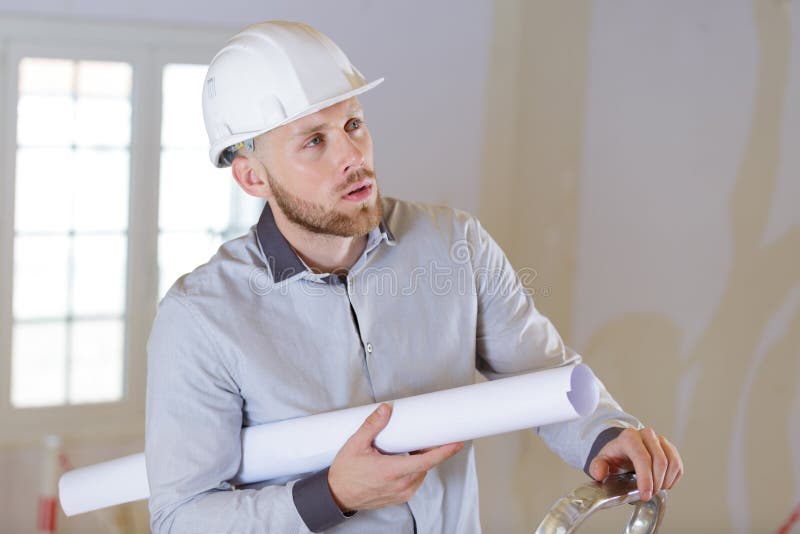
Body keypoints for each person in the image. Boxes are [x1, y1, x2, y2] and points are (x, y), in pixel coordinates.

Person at [145, 20, 683, 534]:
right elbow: (181, 519)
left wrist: (603, 435)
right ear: (253, 176)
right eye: (314, 141)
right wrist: (332, 495)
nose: (353, 156)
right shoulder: (200, 318)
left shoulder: (455, 244)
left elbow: (542, 375)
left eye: (353, 124)